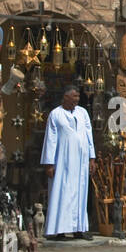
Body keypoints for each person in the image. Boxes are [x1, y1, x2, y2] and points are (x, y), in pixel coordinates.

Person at [41, 85, 95, 240]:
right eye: (74, 96)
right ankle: (60, 230)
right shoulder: (55, 115)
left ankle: (79, 229)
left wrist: (92, 158)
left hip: (81, 162)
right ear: (65, 97)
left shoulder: (83, 113)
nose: (77, 99)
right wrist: (49, 163)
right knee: (62, 192)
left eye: (78, 96)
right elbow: (50, 140)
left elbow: (89, 135)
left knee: (80, 193)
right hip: (63, 161)